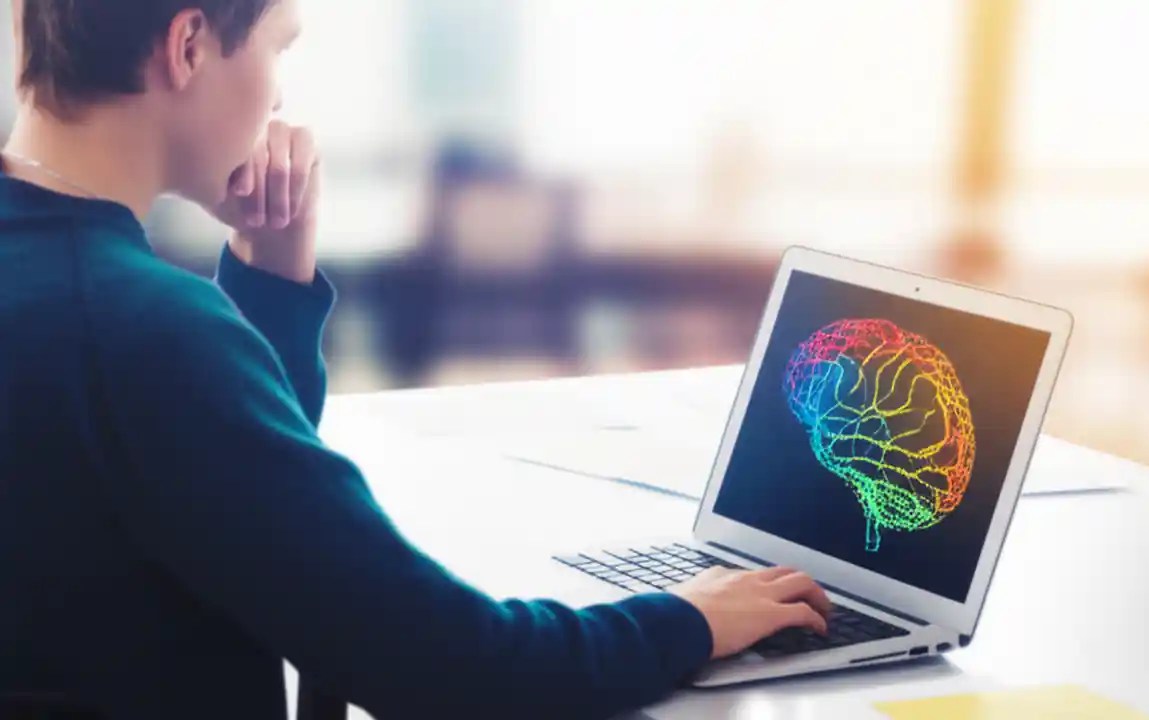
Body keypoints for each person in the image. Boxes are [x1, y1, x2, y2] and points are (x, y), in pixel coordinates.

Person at [0, 1, 833, 717]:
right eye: (278, 47)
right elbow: (460, 673)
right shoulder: (145, 333)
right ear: (188, 48)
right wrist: (691, 618)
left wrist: (272, 277)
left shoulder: (95, 311)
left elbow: (239, 519)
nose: (280, 92)